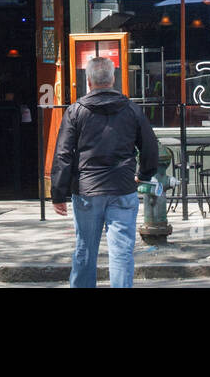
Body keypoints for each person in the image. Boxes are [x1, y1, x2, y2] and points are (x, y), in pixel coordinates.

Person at [51, 56, 159, 288]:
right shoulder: (131, 109)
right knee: (121, 252)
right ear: (113, 79)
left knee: (85, 250)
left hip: (88, 190)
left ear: (88, 81)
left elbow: (63, 154)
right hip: (122, 187)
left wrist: (58, 193)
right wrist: (144, 175)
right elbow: (150, 147)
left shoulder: (76, 111)